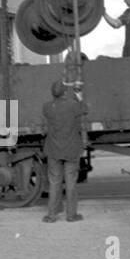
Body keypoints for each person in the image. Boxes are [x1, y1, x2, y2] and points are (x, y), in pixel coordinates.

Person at [41, 80, 88, 223]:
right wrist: (78, 95)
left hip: (54, 149)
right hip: (71, 149)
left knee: (54, 182)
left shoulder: (47, 107)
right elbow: (85, 109)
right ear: (65, 93)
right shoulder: (73, 105)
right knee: (70, 182)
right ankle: (71, 215)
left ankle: (51, 215)